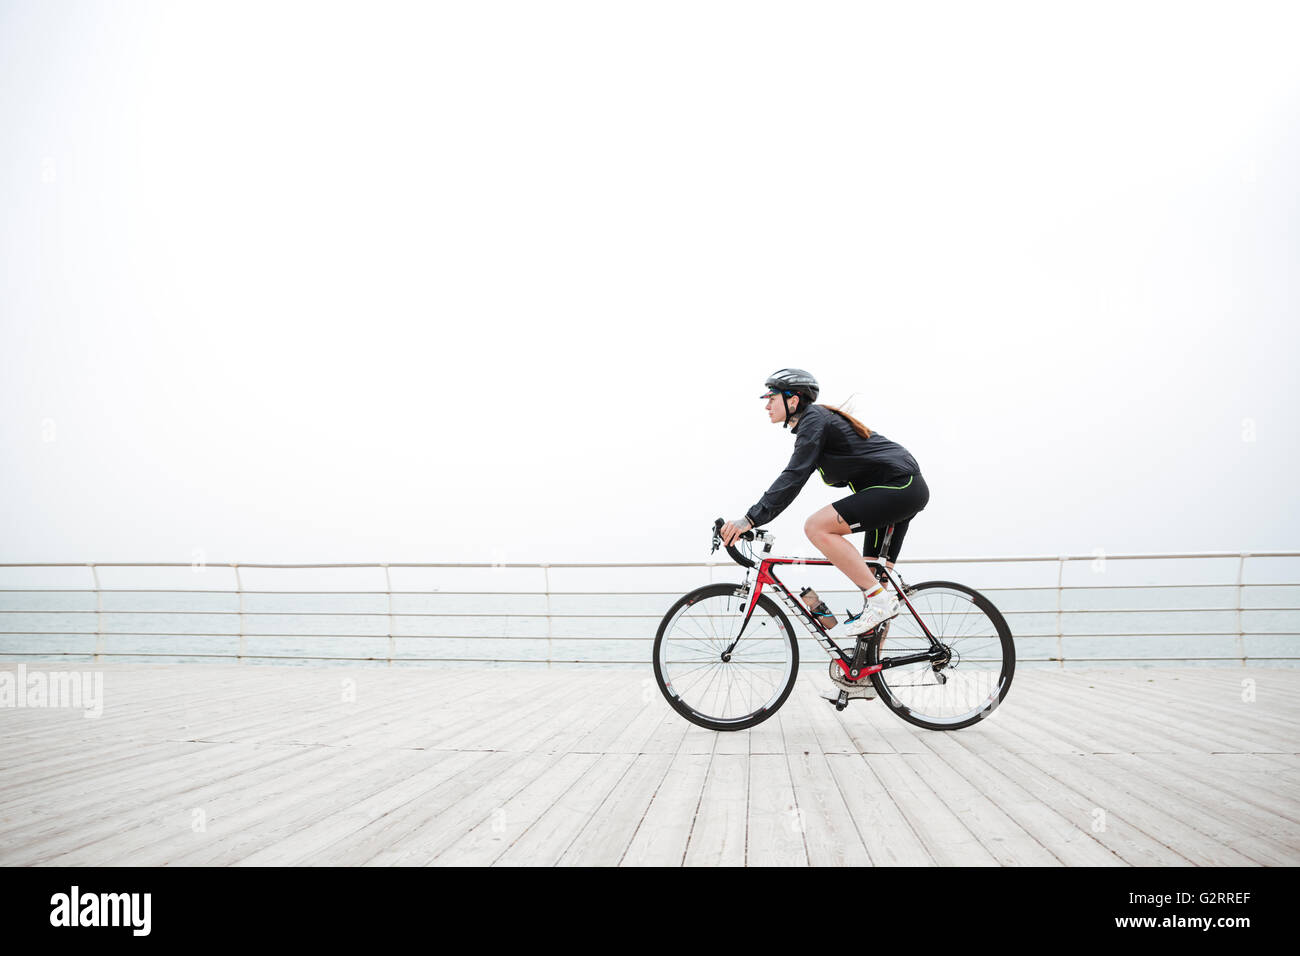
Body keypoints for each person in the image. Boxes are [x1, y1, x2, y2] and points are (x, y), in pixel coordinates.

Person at [719, 368, 930, 646]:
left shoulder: (813, 420)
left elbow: (794, 475)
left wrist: (751, 519)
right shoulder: (816, 423)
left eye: (771, 397)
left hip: (899, 487)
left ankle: (879, 602)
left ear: (793, 400)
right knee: (874, 587)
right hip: (898, 492)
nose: (766, 404)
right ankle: (865, 676)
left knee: (817, 527)